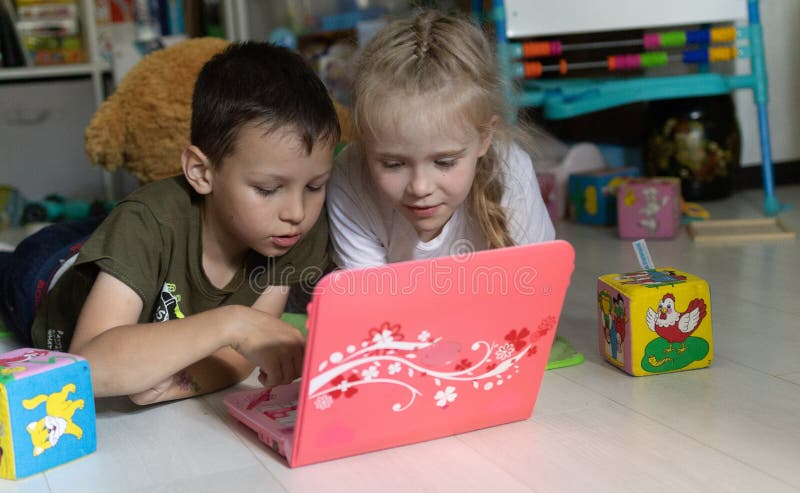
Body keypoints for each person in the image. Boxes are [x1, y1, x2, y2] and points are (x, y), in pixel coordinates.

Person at [0, 41, 340, 404]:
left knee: (129, 229)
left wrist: (175, 384)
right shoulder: (148, 221)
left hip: (144, 237)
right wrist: (232, 323)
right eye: (268, 189)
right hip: (44, 275)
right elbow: (93, 365)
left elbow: (240, 357)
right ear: (201, 172)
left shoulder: (287, 230)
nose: (297, 212)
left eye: (315, 186)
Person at [327, 10, 555, 269]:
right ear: (365, 143)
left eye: (445, 162)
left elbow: (536, 289)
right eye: (393, 164)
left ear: (485, 137)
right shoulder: (349, 177)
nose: (420, 188)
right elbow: (370, 302)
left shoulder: (511, 170)